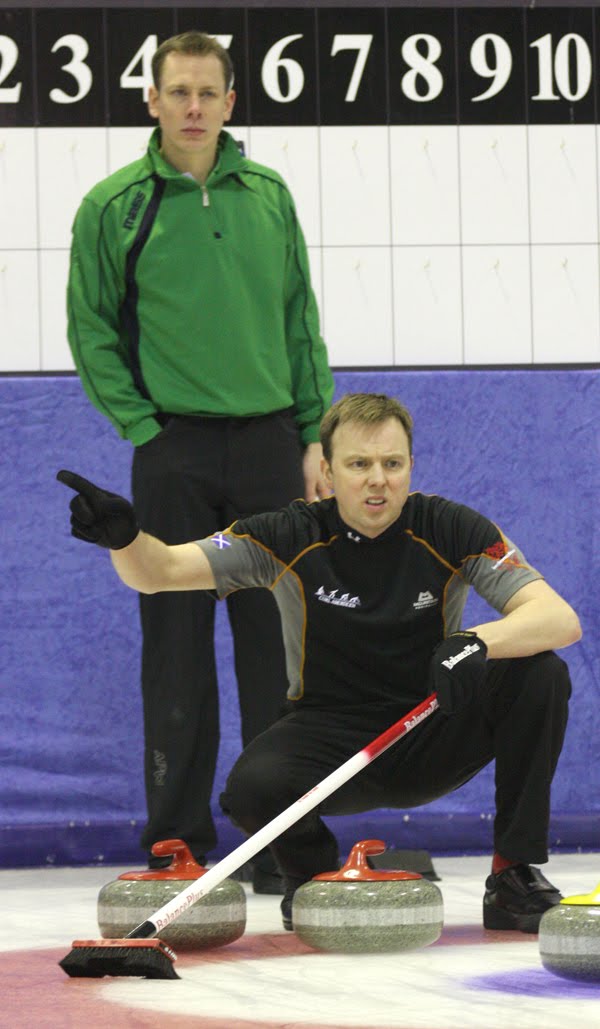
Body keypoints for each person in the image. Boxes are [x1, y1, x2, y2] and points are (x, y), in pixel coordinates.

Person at [57, 392, 581, 933]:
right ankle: (310, 880)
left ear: (410, 467)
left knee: (540, 672)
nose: (377, 479)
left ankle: (513, 875)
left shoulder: (452, 527)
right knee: (250, 791)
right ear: (327, 472)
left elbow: (559, 618)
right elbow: (160, 570)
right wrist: (125, 539)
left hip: (430, 721)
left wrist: (476, 640)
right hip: (329, 737)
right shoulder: (287, 533)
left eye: (391, 464)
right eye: (359, 464)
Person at [65, 30, 334, 885]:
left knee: (279, 654)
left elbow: (300, 321)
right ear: (151, 101)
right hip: (173, 451)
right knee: (175, 643)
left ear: (229, 102)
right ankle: (178, 838)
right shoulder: (114, 206)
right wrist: (146, 432)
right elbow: (92, 331)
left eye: (205, 93)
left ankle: (281, 837)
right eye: (175, 92)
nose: (191, 108)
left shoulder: (268, 194)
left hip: (268, 451)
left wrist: (314, 435)